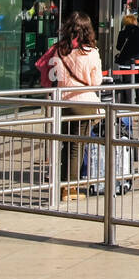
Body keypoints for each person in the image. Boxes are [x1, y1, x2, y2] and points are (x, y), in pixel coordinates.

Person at [48, 12, 104, 182]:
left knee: (65, 144)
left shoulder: (59, 51)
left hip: (63, 102)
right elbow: (96, 81)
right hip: (83, 103)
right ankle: (70, 185)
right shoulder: (91, 52)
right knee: (77, 146)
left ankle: (63, 181)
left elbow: (54, 77)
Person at [114, 13, 139, 105]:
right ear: (134, 21)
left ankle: (128, 103)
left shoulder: (122, 33)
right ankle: (138, 101)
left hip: (126, 62)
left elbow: (118, 47)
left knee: (127, 83)